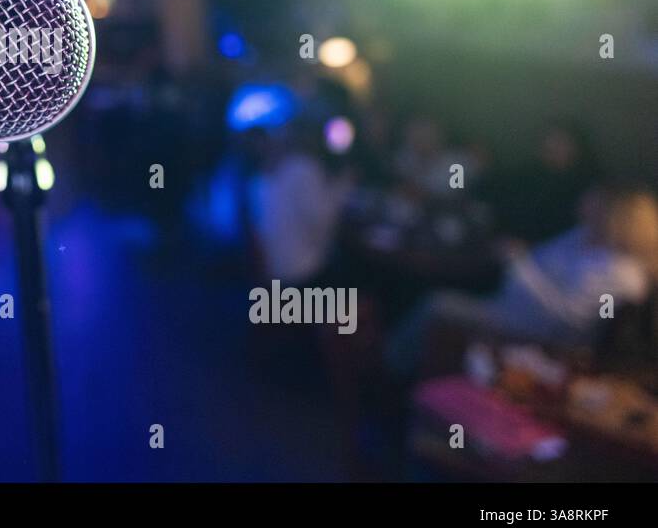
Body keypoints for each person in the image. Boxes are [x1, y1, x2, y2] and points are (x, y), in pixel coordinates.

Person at [386, 187, 658, 375]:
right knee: (445, 294)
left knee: (439, 304)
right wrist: (518, 256)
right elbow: (538, 260)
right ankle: (407, 378)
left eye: (593, 203)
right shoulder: (583, 236)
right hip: (513, 310)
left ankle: (388, 370)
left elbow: (566, 318)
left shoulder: (623, 274)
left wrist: (518, 263)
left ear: (617, 217)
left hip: (539, 339)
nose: (583, 206)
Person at [248, 119, 353, 284]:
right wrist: (343, 185)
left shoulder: (256, 181)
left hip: (272, 275)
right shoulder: (302, 168)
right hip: (303, 273)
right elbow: (323, 221)